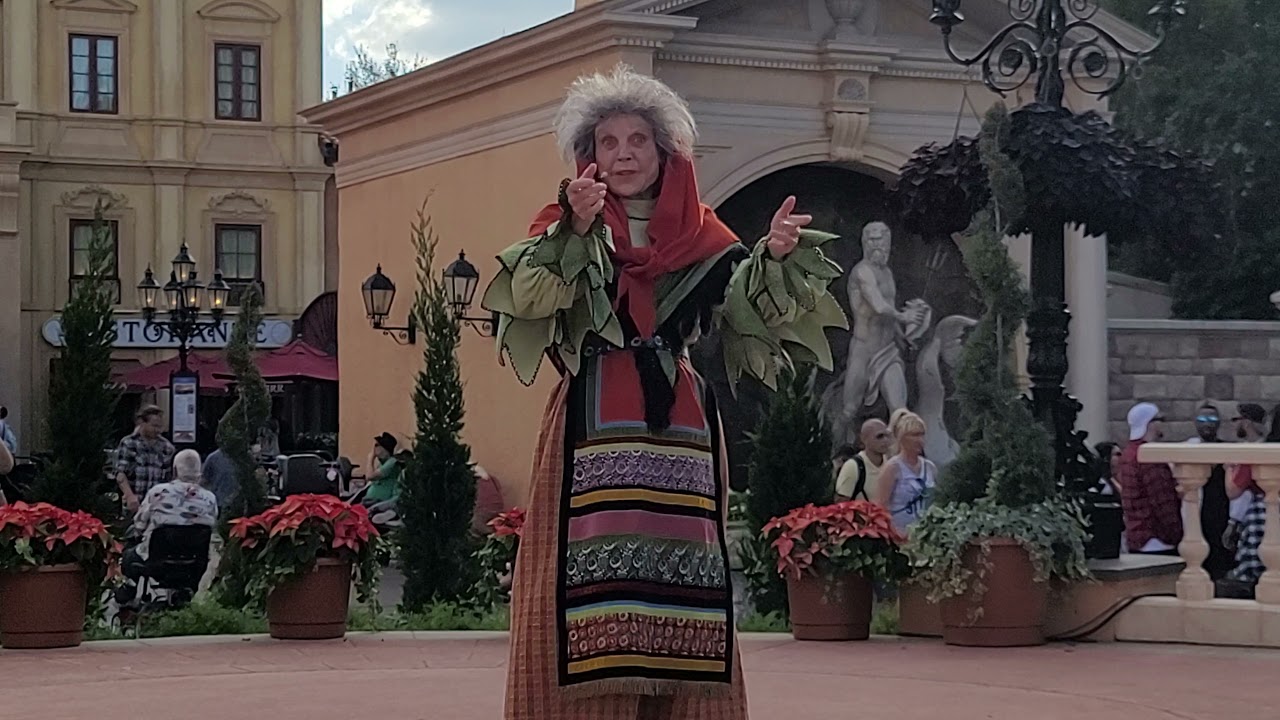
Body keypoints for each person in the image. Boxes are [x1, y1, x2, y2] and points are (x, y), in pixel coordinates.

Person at [480, 65, 844, 720]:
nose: (623, 154)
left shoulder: (705, 236)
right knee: (578, 574)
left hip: (678, 424)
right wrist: (575, 231)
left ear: (663, 150)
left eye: (637, 140)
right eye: (610, 142)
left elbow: (749, 318)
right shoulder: (561, 224)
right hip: (588, 420)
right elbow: (531, 298)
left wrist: (777, 262)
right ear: (589, 157)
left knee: (686, 578)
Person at [840, 223, 929, 432]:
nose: (877, 245)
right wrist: (904, 316)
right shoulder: (862, 272)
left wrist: (904, 335)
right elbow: (879, 306)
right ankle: (833, 454)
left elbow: (888, 315)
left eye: (881, 240)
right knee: (849, 410)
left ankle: (901, 459)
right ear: (864, 243)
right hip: (864, 350)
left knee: (900, 410)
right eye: (872, 240)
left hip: (888, 351)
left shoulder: (887, 273)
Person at [116, 449, 218, 606]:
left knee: (129, 555)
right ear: (200, 472)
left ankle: (130, 588)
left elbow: (139, 525)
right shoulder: (210, 498)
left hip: (156, 560)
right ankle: (183, 597)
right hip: (194, 562)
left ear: (175, 470)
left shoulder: (158, 492)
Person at [1118, 402, 1183, 555]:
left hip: (1136, 536)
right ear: (1150, 423)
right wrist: (1176, 533)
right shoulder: (1149, 457)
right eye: (1159, 419)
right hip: (1156, 538)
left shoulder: (1128, 453)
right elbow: (1161, 501)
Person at [1182, 403, 1233, 579]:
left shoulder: (1227, 450)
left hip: (1222, 514)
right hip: (1195, 513)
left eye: (1212, 419)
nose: (1208, 424)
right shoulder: (1187, 450)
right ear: (1195, 422)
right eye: (1203, 419)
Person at [874, 411, 937, 535]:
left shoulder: (930, 468)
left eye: (922, 435)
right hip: (899, 535)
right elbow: (881, 507)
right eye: (914, 435)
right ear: (902, 438)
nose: (920, 440)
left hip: (925, 535)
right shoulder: (892, 468)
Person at [113, 405, 176, 513]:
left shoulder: (167, 447)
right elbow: (120, 473)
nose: (158, 430)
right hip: (135, 502)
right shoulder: (129, 443)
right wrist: (129, 495)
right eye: (154, 426)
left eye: (160, 427)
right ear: (142, 423)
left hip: (157, 505)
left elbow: (170, 478)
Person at [835, 419, 891, 504]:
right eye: (880, 436)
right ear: (864, 439)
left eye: (887, 436)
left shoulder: (890, 464)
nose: (885, 440)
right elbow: (841, 505)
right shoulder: (853, 466)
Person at [362, 432, 403, 513]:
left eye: (376, 445)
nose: (373, 449)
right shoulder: (382, 463)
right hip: (371, 501)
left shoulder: (392, 462)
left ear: (384, 448)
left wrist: (370, 459)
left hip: (380, 502)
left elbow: (370, 476)